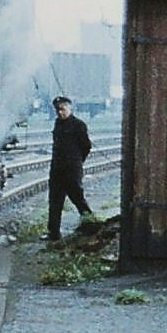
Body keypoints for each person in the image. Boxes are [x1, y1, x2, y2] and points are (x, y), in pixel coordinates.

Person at [47, 95, 95, 241]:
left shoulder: (78, 125)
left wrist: (77, 161)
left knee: (78, 198)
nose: (60, 113)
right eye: (57, 110)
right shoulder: (57, 124)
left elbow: (86, 146)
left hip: (72, 169)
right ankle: (53, 233)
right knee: (55, 201)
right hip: (57, 169)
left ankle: (91, 225)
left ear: (69, 108)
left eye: (62, 109)